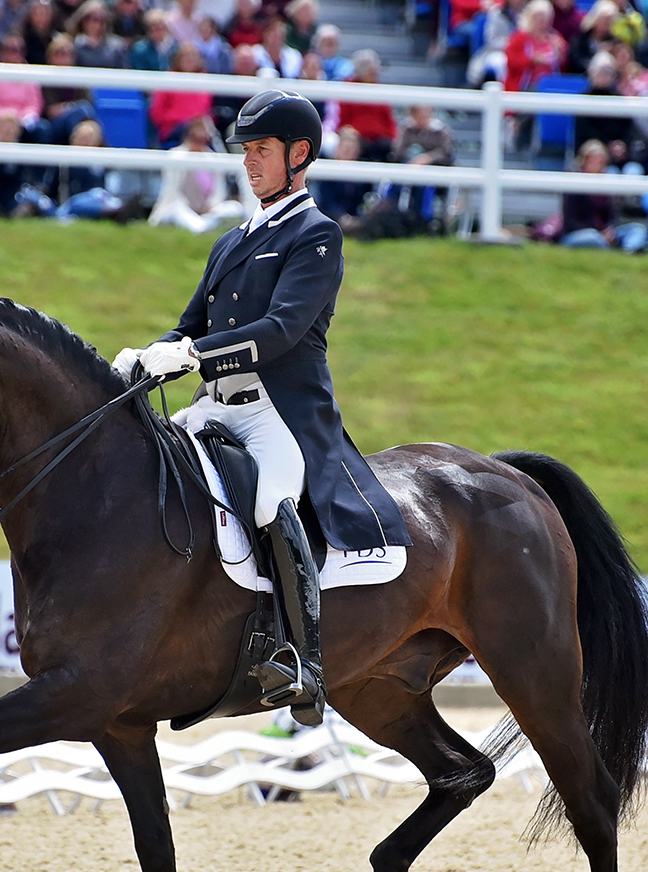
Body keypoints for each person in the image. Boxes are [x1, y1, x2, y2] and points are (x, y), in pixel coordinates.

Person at [118, 89, 411, 727]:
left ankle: (301, 661)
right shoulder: (230, 241)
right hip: (213, 408)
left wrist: (193, 354)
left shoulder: (317, 235)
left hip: (276, 412)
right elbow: (188, 323)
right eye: (246, 151)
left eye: (261, 151)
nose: (248, 163)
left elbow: (280, 330)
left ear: (298, 154)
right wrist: (148, 355)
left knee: (267, 500)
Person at [148, 114, 247, 231]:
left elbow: (219, 191)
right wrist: (189, 208)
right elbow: (172, 192)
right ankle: (200, 227)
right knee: (178, 210)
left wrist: (212, 205)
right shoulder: (175, 156)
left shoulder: (214, 159)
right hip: (179, 208)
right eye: (196, 137)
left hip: (208, 210)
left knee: (235, 208)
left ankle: (204, 224)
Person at [561, 139, 648, 250]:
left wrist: (610, 230)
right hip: (579, 234)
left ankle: (629, 251)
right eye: (594, 159)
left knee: (637, 229)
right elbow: (571, 220)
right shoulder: (574, 183)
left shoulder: (607, 183)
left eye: (601, 160)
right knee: (594, 237)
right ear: (585, 160)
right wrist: (599, 233)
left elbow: (612, 215)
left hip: (605, 234)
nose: (599, 164)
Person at [149, 42, 214, 146]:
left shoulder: (206, 80)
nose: (189, 60)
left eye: (192, 56)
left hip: (201, 129)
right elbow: (157, 113)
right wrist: (184, 119)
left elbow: (208, 110)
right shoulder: (168, 80)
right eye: (185, 56)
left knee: (211, 136)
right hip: (174, 129)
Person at [336, 49, 395, 161]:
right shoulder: (348, 88)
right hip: (357, 136)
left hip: (379, 139)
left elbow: (389, 121)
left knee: (387, 147)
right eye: (371, 71)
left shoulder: (380, 90)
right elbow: (343, 119)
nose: (374, 74)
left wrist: (391, 136)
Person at [505, 0, 567, 94]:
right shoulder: (519, 38)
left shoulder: (555, 39)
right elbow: (511, 62)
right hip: (525, 85)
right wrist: (532, 60)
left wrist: (561, 55)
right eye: (538, 17)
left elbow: (564, 67)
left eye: (545, 17)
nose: (541, 20)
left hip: (551, 84)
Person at [72, 0, 126, 67]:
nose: (93, 23)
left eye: (98, 19)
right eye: (88, 18)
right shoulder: (74, 45)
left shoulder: (116, 47)